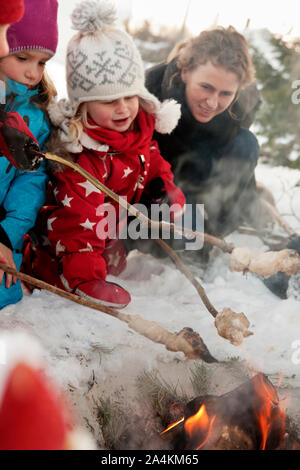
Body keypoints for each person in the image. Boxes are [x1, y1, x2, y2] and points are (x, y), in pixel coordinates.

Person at [23, 0, 185, 309]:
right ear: (84, 104)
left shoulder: (138, 131)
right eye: (108, 101)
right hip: (64, 257)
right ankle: (78, 280)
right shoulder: (81, 156)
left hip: (106, 244)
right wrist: (85, 279)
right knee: (72, 257)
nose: (123, 108)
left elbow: (154, 164)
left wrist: (163, 188)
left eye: (128, 96)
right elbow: (76, 223)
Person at [145, 26, 262, 243]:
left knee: (247, 143)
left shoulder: (242, 105)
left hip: (208, 177)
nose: (213, 102)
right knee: (186, 239)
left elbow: (239, 160)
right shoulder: (152, 89)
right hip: (165, 183)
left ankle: (215, 234)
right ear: (185, 71)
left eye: (226, 93)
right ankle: (187, 240)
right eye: (206, 87)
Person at [0, 0, 58, 309]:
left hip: (4, 230)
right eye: (23, 57)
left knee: (5, 295)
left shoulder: (35, 116)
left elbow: (31, 178)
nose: (32, 72)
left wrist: (8, 233)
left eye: (42, 62)